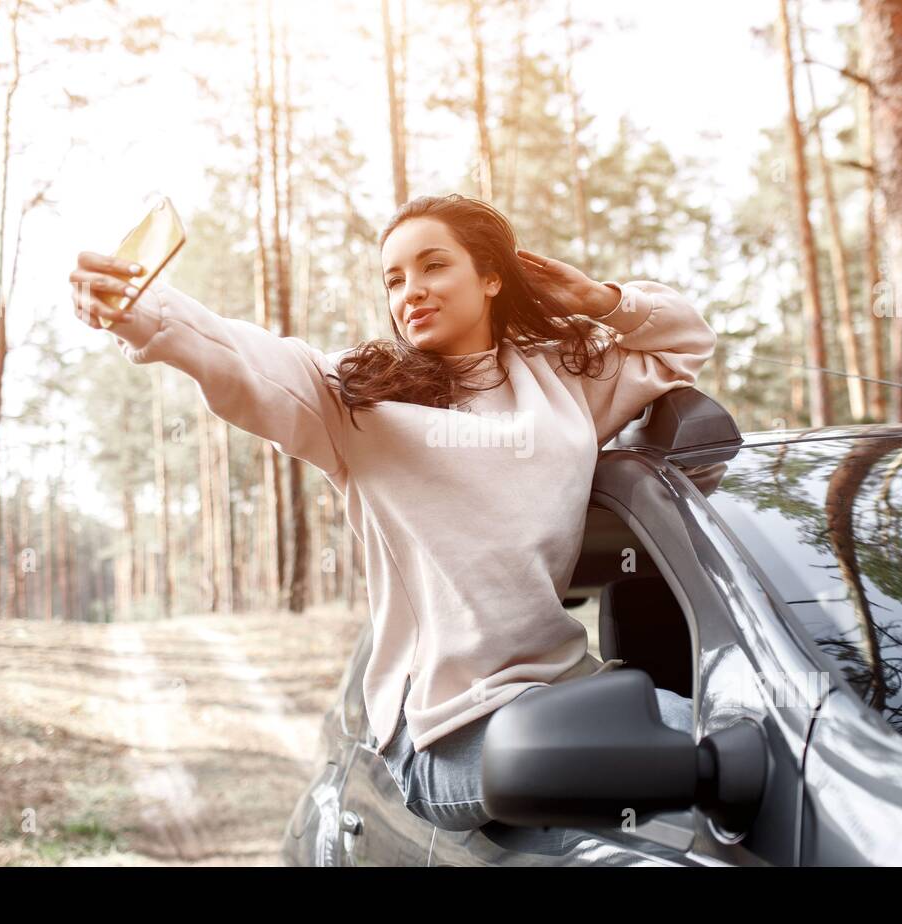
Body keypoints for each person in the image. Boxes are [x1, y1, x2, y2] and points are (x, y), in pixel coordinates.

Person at [69, 193, 717, 833]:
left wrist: (599, 302)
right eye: (395, 279)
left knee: (752, 747)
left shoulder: (563, 381)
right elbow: (236, 355)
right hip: (447, 728)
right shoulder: (355, 399)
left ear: (492, 276)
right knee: (708, 767)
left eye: (434, 266)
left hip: (568, 692)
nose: (412, 290)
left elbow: (684, 341)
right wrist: (134, 308)